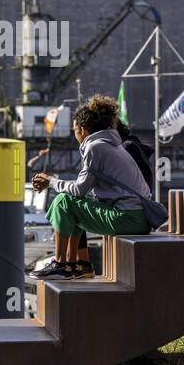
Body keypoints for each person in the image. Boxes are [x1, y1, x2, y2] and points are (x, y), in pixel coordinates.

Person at [30, 94, 152, 280]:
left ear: (82, 130)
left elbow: (79, 189)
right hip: (138, 217)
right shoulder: (111, 144)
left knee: (64, 201)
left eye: (75, 130)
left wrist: (51, 181)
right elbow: (83, 192)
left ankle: (62, 264)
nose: (75, 135)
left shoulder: (95, 147)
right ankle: (79, 264)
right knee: (75, 201)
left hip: (127, 218)